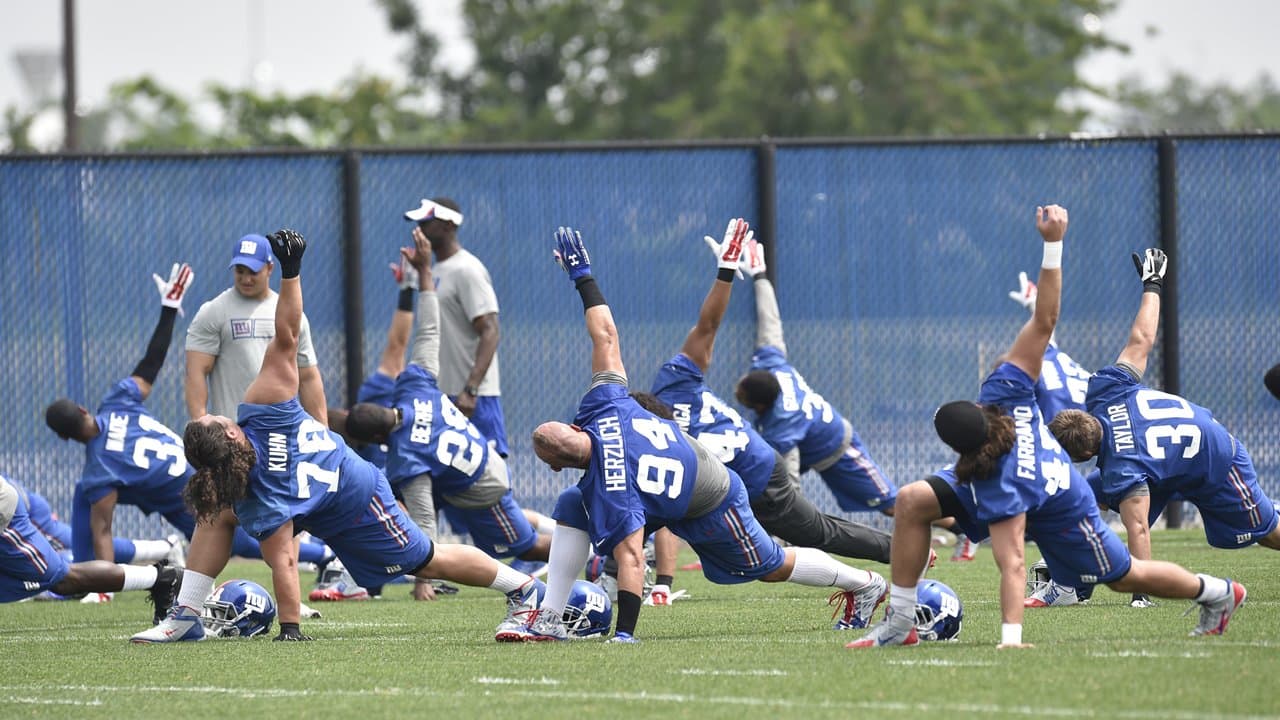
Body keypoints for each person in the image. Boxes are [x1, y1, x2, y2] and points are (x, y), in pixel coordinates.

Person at [850, 205, 1245, 649]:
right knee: (912, 500)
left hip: (1064, 509)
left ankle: (1216, 592)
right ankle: (901, 622)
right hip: (1021, 477)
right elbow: (1045, 320)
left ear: (964, 451)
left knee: (1126, 576)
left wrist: (1011, 639)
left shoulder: (1001, 480)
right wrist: (1053, 244)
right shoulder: (1006, 389)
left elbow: (1013, 563)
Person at [131, 229, 542, 644]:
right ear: (233, 434)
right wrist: (292, 271)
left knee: (428, 561)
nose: (217, 415)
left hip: (357, 502)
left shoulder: (261, 480)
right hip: (319, 495)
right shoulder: (264, 410)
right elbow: (287, 337)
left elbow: (283, 560)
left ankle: (523, 588)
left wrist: (291, 629)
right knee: (217, 512)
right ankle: (186, 614)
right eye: (214, 421)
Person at [506, 226, 888, 643]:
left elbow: (632, 552)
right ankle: (549, 616)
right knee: (575, 503)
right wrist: (583, 276)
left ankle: (865, 582)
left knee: (772, 564)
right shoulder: (609, 402)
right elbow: (608, 334)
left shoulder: (618, 476)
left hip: (719, 492)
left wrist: (625, 634)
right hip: (682, 484)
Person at [646, 218, 892, 570]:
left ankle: (890, 554)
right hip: (753, 465)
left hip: (771, 471)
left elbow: (790, 473)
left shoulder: (779, 421)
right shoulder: (675, 381)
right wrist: (731, 271)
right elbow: (710, 325)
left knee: (814, 533)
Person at [342, 228, 551, 601]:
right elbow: (429, 331)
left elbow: (424, 520)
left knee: (527, 546)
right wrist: (424, 273)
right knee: (401, 496)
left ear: (376, 439)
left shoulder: (405, 456)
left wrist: (423, 579)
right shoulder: (415, 386)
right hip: (460, 474)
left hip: (485, 487)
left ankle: (598, 555)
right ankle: (366, 576)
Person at [1049, 249, 1280, 565]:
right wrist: (1153, 285)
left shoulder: (1123, 467)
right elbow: (1142, 339)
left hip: (1217, 464)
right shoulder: (1106, 391)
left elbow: (1139, 530)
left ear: (1086, 454)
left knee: (1266, 532)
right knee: (1086, 495)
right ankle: (1070, 572)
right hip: (1168, 463)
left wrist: (1141, 587)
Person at [44, 263, 279, 566]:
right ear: (82, 409)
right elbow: (152, 361)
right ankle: (110, 562)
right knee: (87, 492)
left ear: (64, 437)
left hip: (190, 495)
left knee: (238, 542)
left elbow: (102, 531)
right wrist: (169, 309)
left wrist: (104, 582)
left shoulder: (99, 469)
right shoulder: (118, 403)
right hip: (199, 466)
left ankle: (321, 554)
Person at [733, 245, 897, 517]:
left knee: (892, 505)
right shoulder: (772, 365)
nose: (738, 386)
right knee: (757, 479)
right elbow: (770, 323)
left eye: (742, 393)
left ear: (760, 406)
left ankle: (957, 525)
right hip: (809, 440)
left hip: (836, 446)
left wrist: (790, 523)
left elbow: (789, 478)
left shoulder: (782, 422)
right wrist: (760, 277)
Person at [1, 473, 182, 621]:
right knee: (74, 554)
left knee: (62, 578)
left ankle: (161, 576)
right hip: (16, 506)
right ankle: (166, 549)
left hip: (11, 514)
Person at [403, 198, 506, 456]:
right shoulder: (436, 271)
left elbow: (490, 330)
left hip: (473, 398)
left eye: (426, 222)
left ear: (448, 225)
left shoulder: (467, 269)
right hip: (445, 396)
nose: (419, 228)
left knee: (492, 473)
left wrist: (471, 389)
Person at [9, 476, 181, 569]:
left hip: (29, 515)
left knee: (83, 549)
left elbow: (13, 494)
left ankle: (166, 548)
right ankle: (166, 548)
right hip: (24, 512)